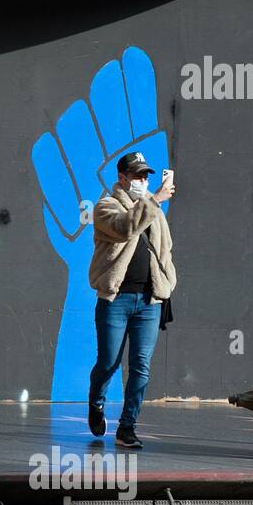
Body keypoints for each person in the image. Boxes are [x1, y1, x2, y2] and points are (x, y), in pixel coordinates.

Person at [87, 152, 177, 448]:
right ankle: (97, 402)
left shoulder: (155, 210)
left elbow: (165, 250)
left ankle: (127, 427)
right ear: (121, 178)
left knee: (141, 367)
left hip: (149, 302)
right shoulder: (105, 207)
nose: (143, 181)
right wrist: (155, 200)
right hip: (116, 301)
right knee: (108, 363)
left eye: (146, 176)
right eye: (137, 176)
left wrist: (166, 283)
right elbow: (126, 227)